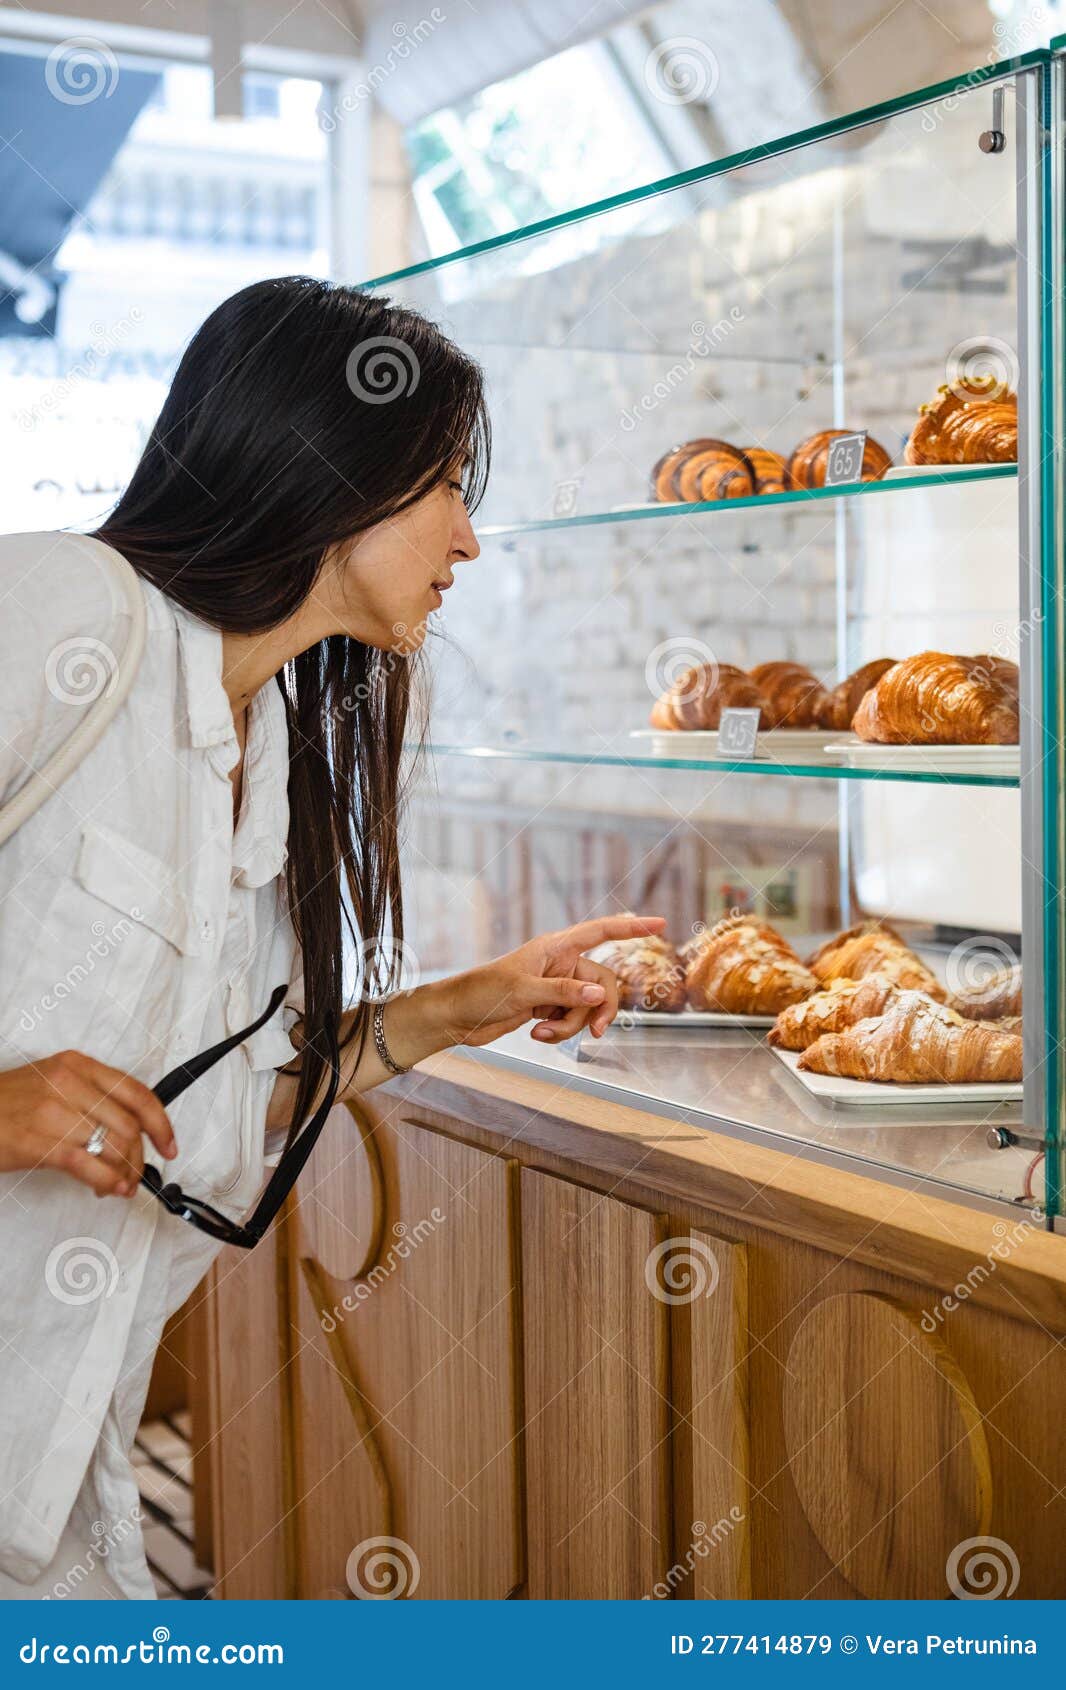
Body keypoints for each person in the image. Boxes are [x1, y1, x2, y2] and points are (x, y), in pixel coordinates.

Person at [0, 275, 664, 1599]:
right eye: (442, 485)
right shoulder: (63, 613)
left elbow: (238, 1100)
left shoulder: (276, 756)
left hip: (59, 1493)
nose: (467, 541)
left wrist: (462, 1002)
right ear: (331, 467)